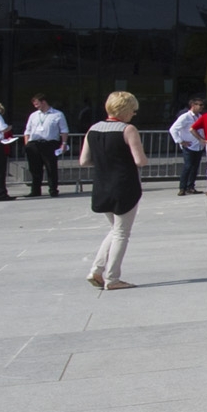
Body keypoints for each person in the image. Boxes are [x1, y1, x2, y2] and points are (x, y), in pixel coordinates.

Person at [84, 91, 148, 288]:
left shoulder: (93, 129)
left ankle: (97, 270)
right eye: (133, 110)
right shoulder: (128, 130)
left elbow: (84, 160)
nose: (134, 114)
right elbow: (140, 160)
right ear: (126, 110)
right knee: (122, 233)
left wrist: (105, 161)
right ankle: (112, 278)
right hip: (124, 185)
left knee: (116, 230)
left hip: (102, 184)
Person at [21, 95, 68, 195]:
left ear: (44, 102)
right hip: (34, 143)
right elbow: (27, 131)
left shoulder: (58, 114)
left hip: (49, 143)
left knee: (51, 167)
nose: (36, 106)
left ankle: (53, 189)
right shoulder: (33, 115)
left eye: (37, 104)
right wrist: (27, 144)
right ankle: (35, 190)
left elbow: (64, 130)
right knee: (34, 168)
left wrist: (63, 143)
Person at [169, 97, 207, 194]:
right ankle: (182, 187)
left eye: (202, 105)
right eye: (199, 105)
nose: (201, 107)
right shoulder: (185, 117)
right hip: (189, 146)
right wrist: (180, 141)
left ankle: (191, 186)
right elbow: (173, 129)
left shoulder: (200, 116)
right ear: (193, 105)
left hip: (198, 145)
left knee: (195, 167)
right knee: (188, 166)